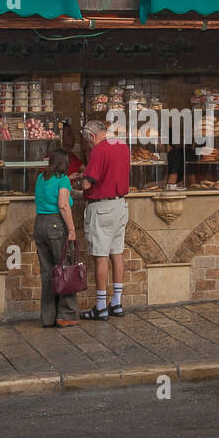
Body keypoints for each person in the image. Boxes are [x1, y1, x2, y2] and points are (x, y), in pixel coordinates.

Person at [79, 120, 131, 320]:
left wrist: (79, 177)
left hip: (101, 207)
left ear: (92, 136)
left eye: (88, 142)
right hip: (120, 205)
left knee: (100, 256)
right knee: (116, 254)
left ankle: (100, 305)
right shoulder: (123, 146)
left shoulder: (99, 150)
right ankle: (116, 303)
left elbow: (86, 184)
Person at [33, 148, 79, 328]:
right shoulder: (63, 180)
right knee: (65, 269)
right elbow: (63, 206)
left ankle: (48, 317)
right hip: (56, 225)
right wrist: (72, 229)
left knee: (48, 272)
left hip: (40, 224)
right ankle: (66, 315)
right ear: (64, 163)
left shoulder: (41, 177)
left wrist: (70, 180)